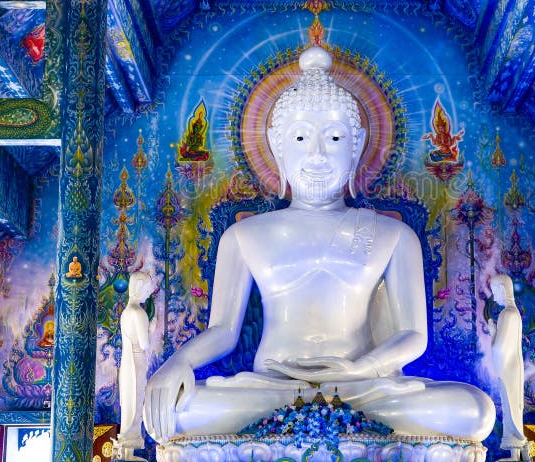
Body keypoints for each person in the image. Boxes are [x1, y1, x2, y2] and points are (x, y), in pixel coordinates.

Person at [143, 45, 495, 452]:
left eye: (333, 137)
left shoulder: (394, 236)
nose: (317, 155)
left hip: (363, 387)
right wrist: (176, 364)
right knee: (176, 410)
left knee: (475, 410)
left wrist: (361, 368)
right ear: (277, 146)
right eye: (299, 137)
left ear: (357, 145)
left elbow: (413, 335)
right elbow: (223, 332)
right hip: (271, 387)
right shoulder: (244, 236)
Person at [488, 274, 530, 462]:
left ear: (503, 290)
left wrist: (493, 333)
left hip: (509, 369)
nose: (494, 296)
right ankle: (515, 454)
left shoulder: (507, 314)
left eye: (495, 291)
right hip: (512, 368)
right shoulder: (513, 314)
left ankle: (515, 453)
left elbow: (499, 348)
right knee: (511, 409)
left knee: (511, 410)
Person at [116, 271, 157, 461]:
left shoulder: (126, 312)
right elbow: (145, 344)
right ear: (139, 287)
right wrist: (151, 328)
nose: (149, 292)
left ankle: (126, 452)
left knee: (130, 402)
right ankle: (128, 451)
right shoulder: (139, 313)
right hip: (137, 360)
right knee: (135, 399)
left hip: (127, 362)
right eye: (147, 288)